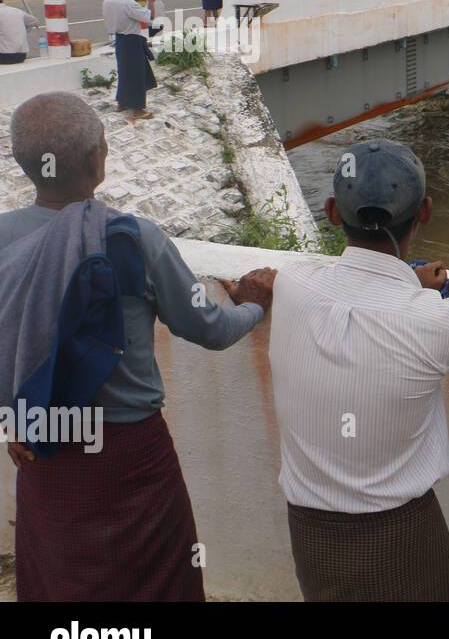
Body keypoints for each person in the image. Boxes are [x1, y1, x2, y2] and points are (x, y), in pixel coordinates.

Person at [0, 91, 274, 601]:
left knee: (63, 588)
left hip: (44, 448)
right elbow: (209, 329)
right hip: (132, 457)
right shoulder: (131, 238)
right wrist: (254, 305)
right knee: (155, 583)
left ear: (24, 165)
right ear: (96, 159)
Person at [268, 139, 449, 601]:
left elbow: (357, 292)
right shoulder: (437, 322)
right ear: (425, 211)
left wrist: (408, 280)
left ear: (332, 211)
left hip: (311, 534)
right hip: (401, 534)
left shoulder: (292, 285)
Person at [102, 0, 157, 121]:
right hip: (132, 40)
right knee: (137, 75)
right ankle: (138, 108)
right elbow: (149, 17)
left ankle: (122, 102)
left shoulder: (107, 2)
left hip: (119, 40)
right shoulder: (127, 3)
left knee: (124, 72)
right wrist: (151, 2)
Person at [0, 0, 38, 65]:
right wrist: (25, 29)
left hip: (4, 56)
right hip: (21, 56)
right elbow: (35, 21)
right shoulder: (17, 11)